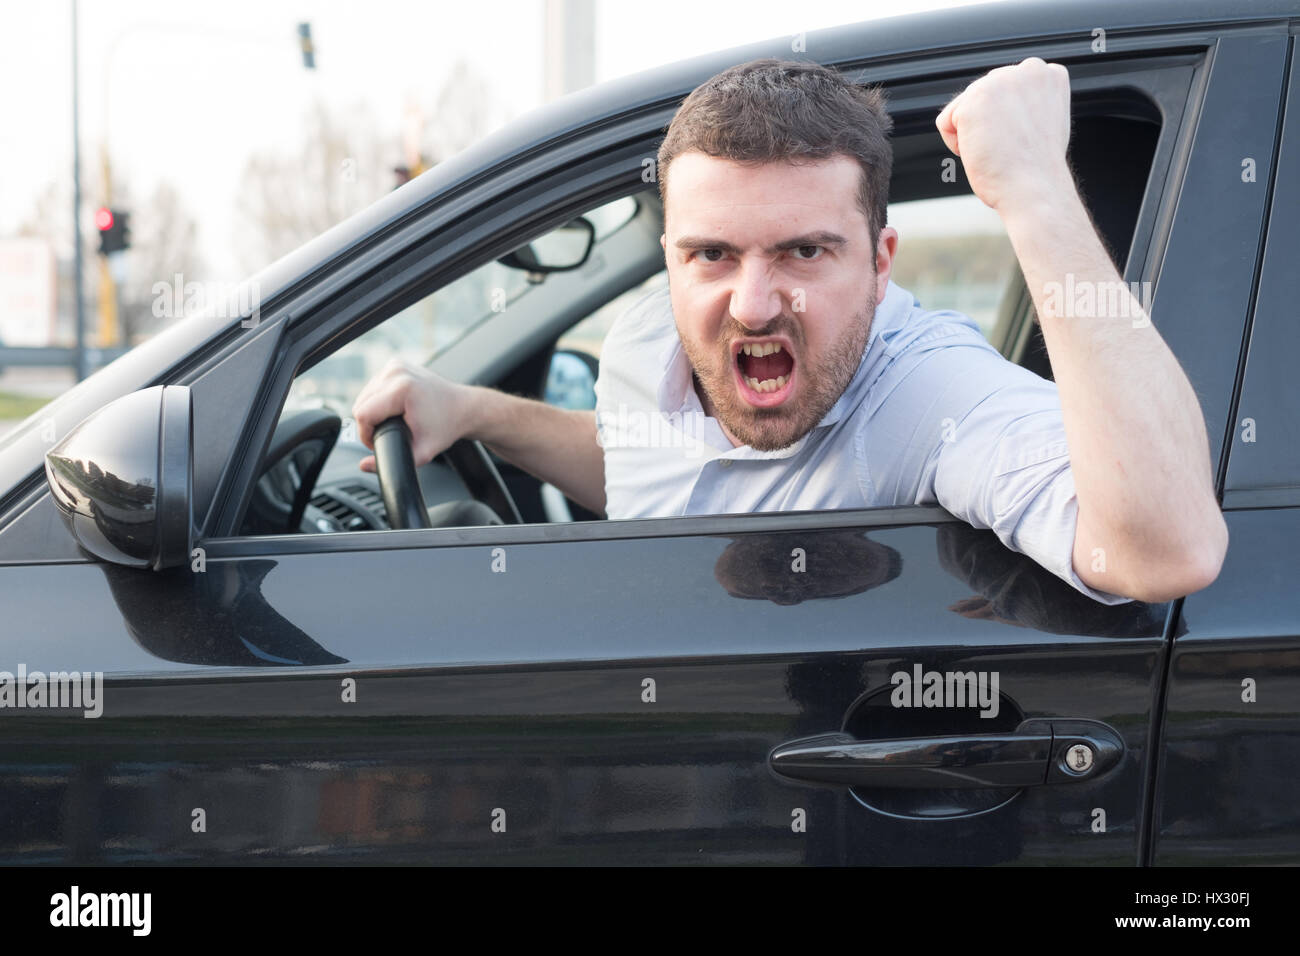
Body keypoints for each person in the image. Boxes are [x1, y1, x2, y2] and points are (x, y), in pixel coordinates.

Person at [351, 57, 1227, 604]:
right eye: (712, 254)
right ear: (670, 256)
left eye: (805, 251)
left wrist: (1034, 188)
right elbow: (645, 457)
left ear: (883, 264)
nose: (754, 303)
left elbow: (1169, 551)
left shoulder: (930, 395)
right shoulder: (644, 341)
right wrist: (470, 411)